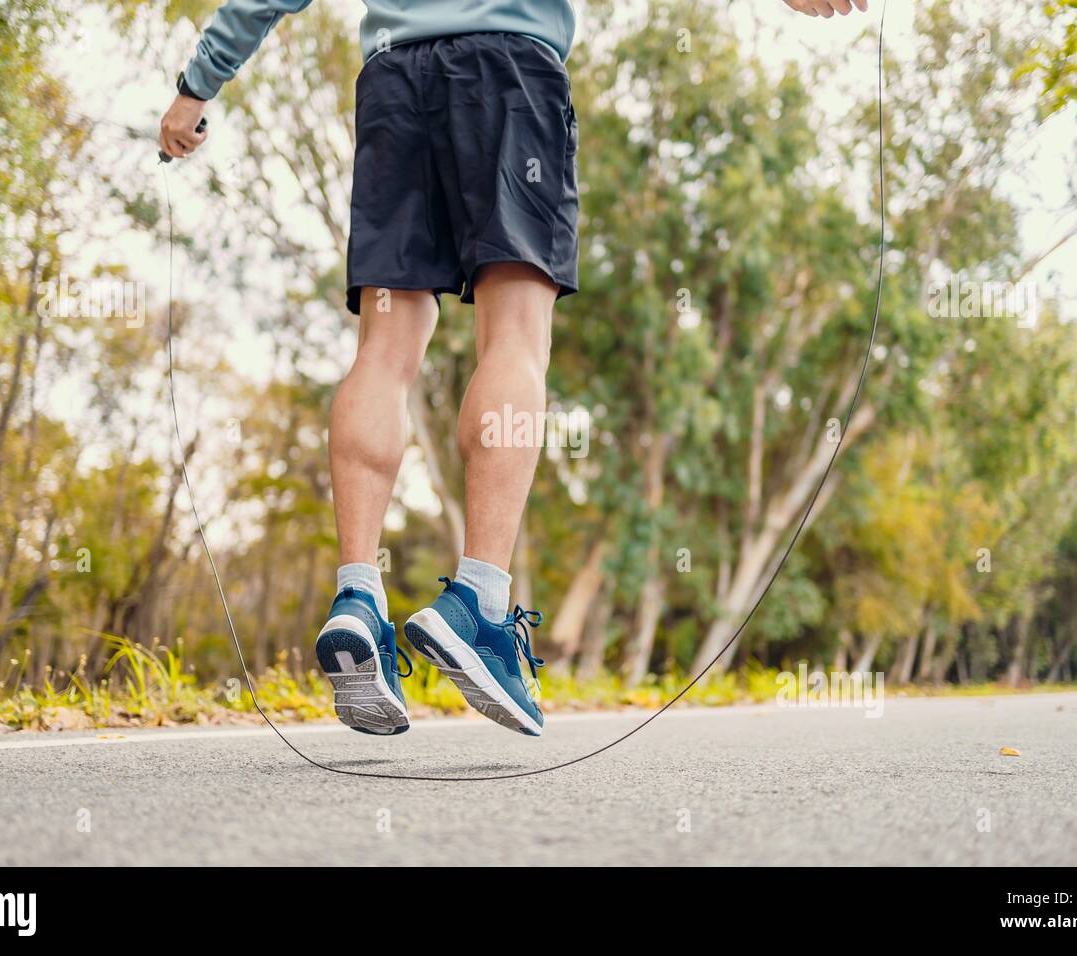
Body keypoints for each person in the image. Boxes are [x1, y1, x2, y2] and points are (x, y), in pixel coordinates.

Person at [159, 0, 867, 738]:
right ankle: (480, 605)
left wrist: (198, 84)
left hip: (395, 84)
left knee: (384, 347)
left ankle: (358, 595)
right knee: (516, 335)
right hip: (509, 75)